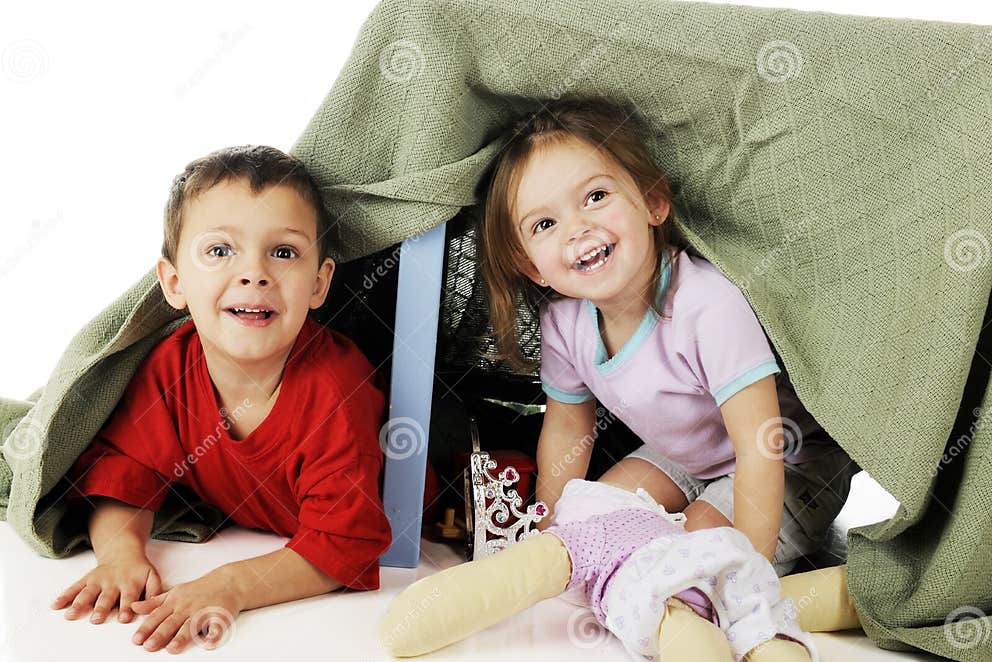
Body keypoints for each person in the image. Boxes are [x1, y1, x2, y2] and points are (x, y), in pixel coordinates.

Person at [477, 96, 859, 578]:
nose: (578, 228)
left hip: (792, 460)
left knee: (707, 543)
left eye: (596, 196)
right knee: (586, 521)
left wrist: (749, 574)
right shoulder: (564, 322)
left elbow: (759, 446)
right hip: (685, 452)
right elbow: (568, 429)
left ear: (654, 203)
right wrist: (548, 531)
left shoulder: (708, 305)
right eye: (546, 224)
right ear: (533, 267)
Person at [50, 145, 392, 653]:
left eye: (283, 252)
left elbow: (343, 546)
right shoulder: (170, 366)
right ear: (174, 283)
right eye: (219, 251)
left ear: (319, 283)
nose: (254, 273)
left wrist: (229, 585)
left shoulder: (335, 388)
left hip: (446, 499)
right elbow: (126, 473)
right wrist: (119, 554)